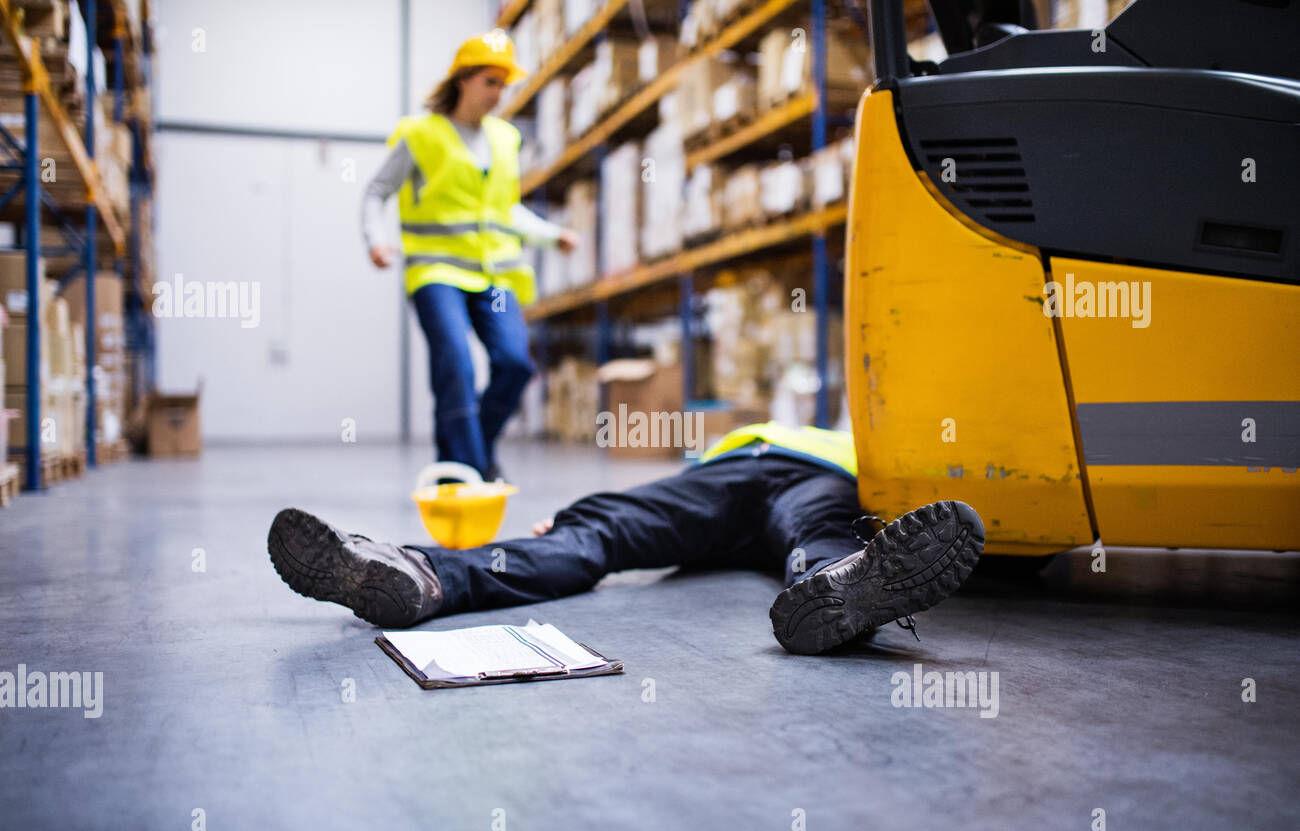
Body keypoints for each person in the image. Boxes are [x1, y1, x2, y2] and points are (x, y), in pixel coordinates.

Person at [267, 422, 987, 655]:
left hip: (798, 479)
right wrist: (580, 513)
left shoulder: (870, 424)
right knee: (599, 528)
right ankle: (412, 575)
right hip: (746, 475)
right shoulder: (811, 429)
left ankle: (844, 589)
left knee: (605, 533)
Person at [363, 29, 577, 482]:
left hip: (494, 277)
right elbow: (378, 191)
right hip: (436, 272)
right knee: (456, 364)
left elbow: (506, 210)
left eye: (503, 84)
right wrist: (375, 239)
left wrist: (550, 234)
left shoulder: (505, 140)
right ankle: (472, 470)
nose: (498, 94)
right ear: (462, 80)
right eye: (489, 81)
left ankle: (463, 459)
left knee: (516, 364)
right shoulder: (421, 135)